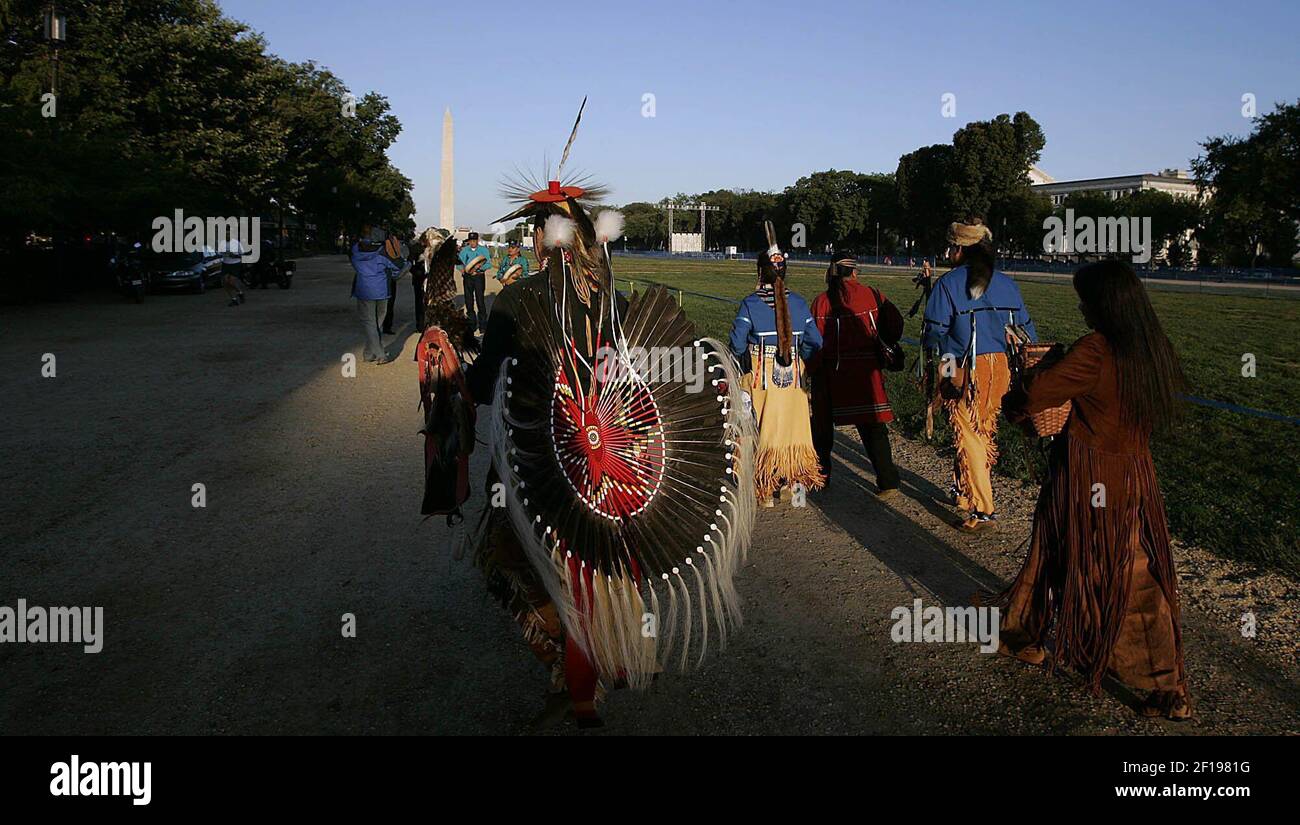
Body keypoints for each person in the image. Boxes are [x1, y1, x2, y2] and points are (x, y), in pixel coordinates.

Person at [457, 148, 753, 728]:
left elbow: (489, 383)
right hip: (614, 456)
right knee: (608, 559)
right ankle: (615, 657)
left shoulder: (518, 299)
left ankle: (575, 670)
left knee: (519, 558)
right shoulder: (613, 303)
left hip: (545, 455)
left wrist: (455, 374)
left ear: (543, 237)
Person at [995, 260, 1190, 719]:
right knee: (1086, 558)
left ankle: (1164, 686)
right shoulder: (1152, 346)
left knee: (1113, 571)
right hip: (1134, 475)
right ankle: (1020, 634)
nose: (1081, 307)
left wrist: (1020, 394)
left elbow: (1038, 391)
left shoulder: (1096, 350)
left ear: (1103, 303)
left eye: (1085, 299)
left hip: (1088, 477)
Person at [922, 219, 1035, 531]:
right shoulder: (1007, 284)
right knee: (978, 429)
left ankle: (982, 506)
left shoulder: (948, 284)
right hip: (1002, 369)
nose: (948, 252)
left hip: (960, 364)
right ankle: (962, 490)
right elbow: (1026, 330)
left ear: (960, 249)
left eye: (951, 247)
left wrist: (939, 365)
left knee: (970, 433)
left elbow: (935, 332)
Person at [729, 222, 823, 506]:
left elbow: (736, 342)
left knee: (762, 430)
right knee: (793, 430)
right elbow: (814, 341)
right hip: (794, 376)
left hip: (761, 375)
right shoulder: (799, 303)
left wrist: (743, 360)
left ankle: (765, 491)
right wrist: (799, 359)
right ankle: (794, 489)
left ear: (760, 271)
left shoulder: (750, 304)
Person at [809, 250, 901, 497]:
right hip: (866, 371)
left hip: (832, 373)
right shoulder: (872, 295)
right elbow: (895, 323)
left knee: (822, 429)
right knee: (873, 428)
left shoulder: (821, 302)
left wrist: (812, 370)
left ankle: (820, 477)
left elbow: (814, 341)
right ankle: (888, 480)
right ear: (854, 271)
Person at [350, 226, 404, 364]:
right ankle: (370, 354)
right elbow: (397, 266)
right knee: (376, 323)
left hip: (364, 290)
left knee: (370, 323)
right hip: (382, 290)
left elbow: (353, 254)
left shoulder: (356, 250)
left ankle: (377, 354)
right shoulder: (383, 252)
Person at [458, 231, 491, 334]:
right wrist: (462, 269)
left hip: (479, 277)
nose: (472, 242)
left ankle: (483, 324)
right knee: (469, 300)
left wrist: (479, 268)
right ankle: (472, 323)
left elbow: (488, 264)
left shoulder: (483, 250)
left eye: (474, 240)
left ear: (477, 240)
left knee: (480, 300)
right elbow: (458, 263)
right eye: (471, 241)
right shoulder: (464, 251)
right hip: (467, 277)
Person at [381, 234, 410, 334]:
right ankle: (386, 326)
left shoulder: (377, 252)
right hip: (388, 281)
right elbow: (400, 266)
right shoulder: (393, 251)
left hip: (377, 282)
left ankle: (379, 327)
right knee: (388, 305)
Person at [218, 226, 247, 307]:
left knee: (231, 282)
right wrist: (223, 253)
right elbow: (219, 253)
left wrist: (234, 255)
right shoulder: (222, 243)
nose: (227, 236)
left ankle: (240, 293)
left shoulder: (236, 243)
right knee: (225, 282)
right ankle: (233, 299)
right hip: (225, 264)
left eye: (229, 234)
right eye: (226, 234)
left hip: (235, 264)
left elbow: (242, 255)